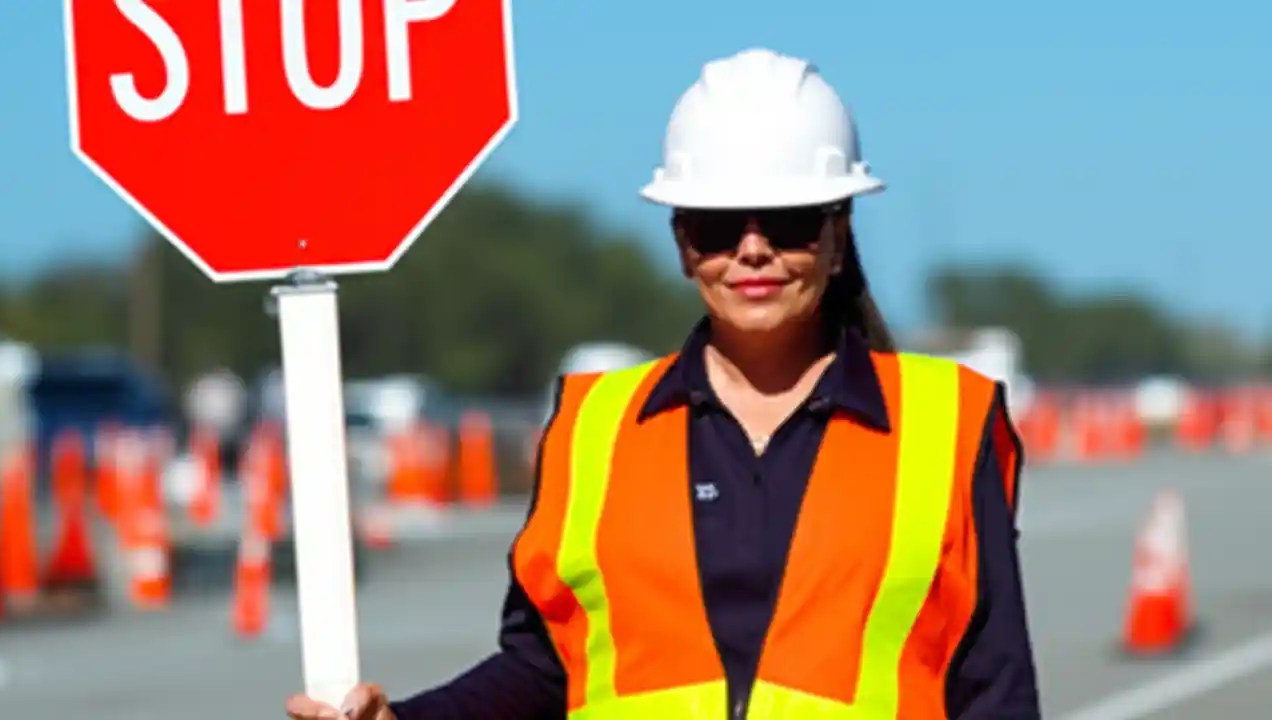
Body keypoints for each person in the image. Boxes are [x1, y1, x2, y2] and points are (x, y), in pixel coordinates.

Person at [286, 47, 1041, 720]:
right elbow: (545, 667)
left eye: (787, 222)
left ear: (838, 235)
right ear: (683, 243)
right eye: (717, 225)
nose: (751, 250)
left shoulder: (949, 421)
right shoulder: (594, 425)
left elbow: (996, 687)